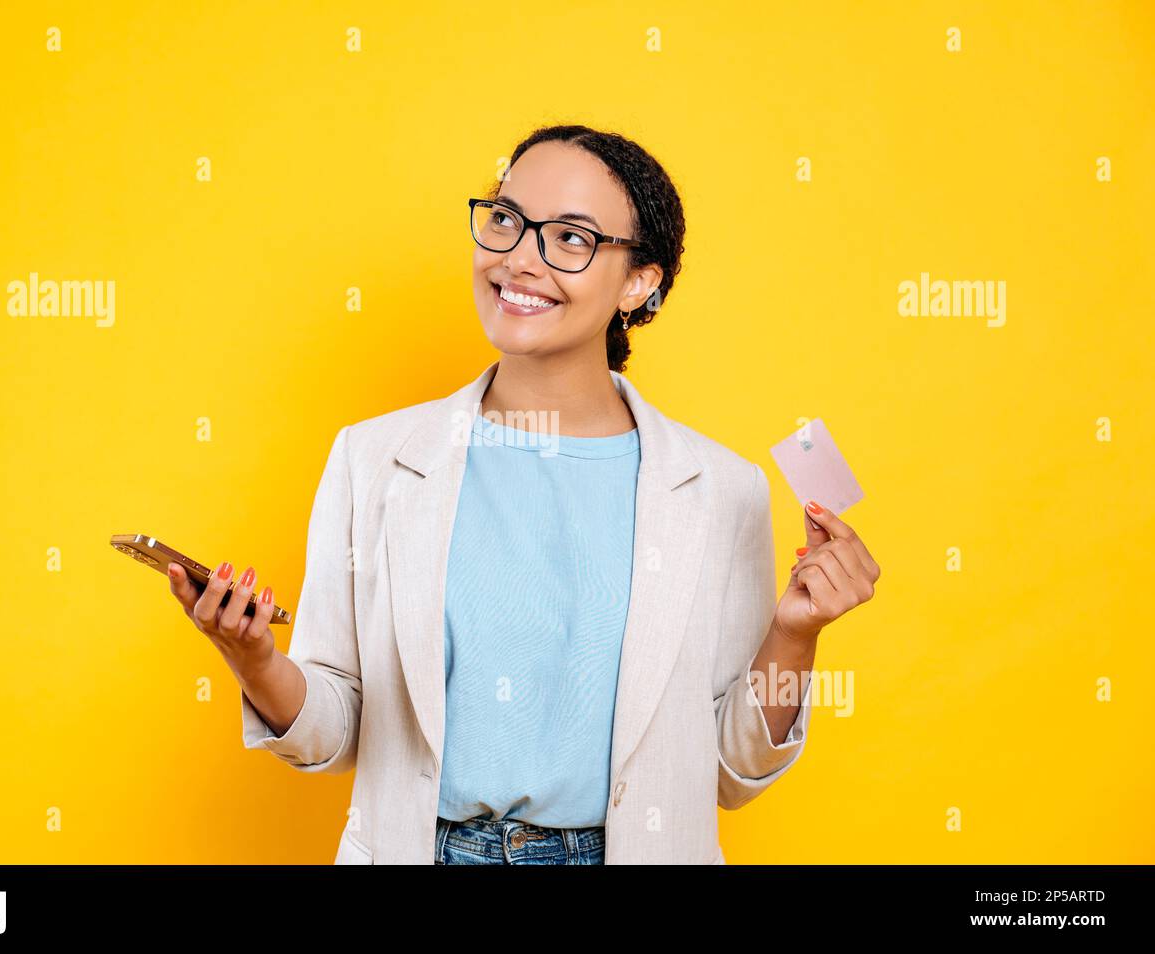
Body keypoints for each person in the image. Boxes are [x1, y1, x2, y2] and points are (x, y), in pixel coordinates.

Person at [165, 124, 880, 864]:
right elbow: (334, 732)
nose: (519, 259)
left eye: (571, 237)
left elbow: (733, 769)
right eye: (507, 219)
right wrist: (254, 659)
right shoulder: (370, 460)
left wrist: (795, 634)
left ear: (640, 283)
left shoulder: (721, 490)